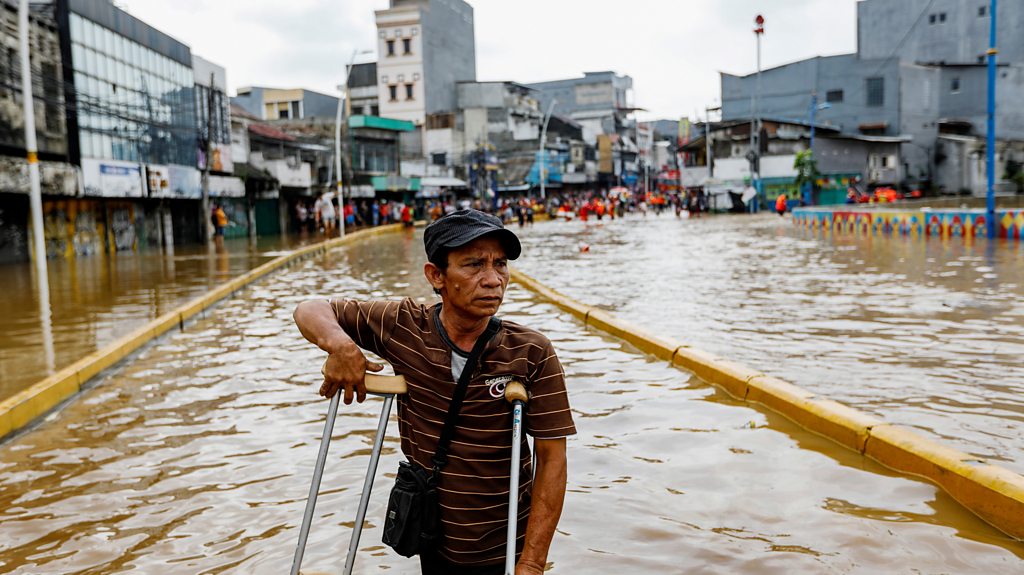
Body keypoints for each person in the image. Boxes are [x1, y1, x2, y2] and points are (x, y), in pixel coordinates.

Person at [294, 210, 575, 575]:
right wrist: (341, 348)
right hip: (433, 539)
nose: (493, 280)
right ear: (436, 276)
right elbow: (311, 308)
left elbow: (552, 458)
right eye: (474, 265)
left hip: (509, 547)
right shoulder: (404, 326)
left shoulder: (531, 352)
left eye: (500, 264)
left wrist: (533, 563)